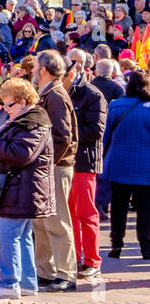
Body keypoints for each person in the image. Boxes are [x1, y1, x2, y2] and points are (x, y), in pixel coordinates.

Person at [0, 77, 53, 299]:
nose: (5, 109)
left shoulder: (33, 122)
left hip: (22, 189)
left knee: (9, 236)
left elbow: (21, 154)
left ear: (23, 101)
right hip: (22, 188)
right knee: (21, 236)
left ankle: (9, 283)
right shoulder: (27, 119)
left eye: (9, 105)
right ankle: (26, 283)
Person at [32, 50, 78, 291]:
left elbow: (63, 137)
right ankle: (46, 271)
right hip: (49, 167)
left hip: (56, 167)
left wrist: (47, 164)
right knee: (41, 222)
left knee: (57, 221)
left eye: (34, 67)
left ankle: (65, 273)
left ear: (43, 70)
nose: (31, 71)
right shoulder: (48, 93)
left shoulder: (56, 95)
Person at [64, 58, 106, 278]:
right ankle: (74, 257)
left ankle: (91, 261)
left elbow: (96, 131)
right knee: (69, 213)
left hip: (84, 162)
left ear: (70, 75)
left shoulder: (93, 95)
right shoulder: (61, 93)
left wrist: (66, 133)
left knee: (86, 213)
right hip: (66, 162)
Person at [104, 70, 150, 259]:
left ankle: (116, 245)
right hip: (145, 167)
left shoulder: (115, 105)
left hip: (119, 165)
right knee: (145, 209)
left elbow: (106, 136)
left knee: (118, 206)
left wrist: (103, 158)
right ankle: (146, 247)